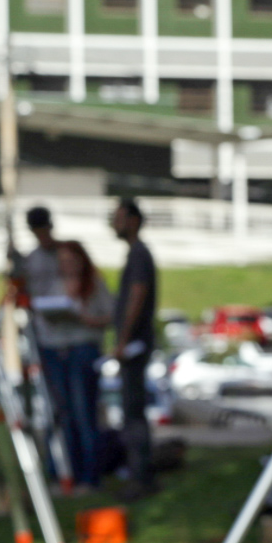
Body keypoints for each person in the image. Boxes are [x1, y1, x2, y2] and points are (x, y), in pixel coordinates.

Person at [16, 207, 111, 489]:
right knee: (60, 414)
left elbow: (109, 316)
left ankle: (89, 476)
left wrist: (83, 318)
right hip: (53, 348)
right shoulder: (45, 275)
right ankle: (61, 473)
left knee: (84, 414)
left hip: (82, 349)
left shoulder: (93, 285)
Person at [109, 198, 157, 498]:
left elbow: (137, 295)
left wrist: (123, 339)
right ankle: (141, 475)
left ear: (134, 220)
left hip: (135, 346)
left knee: (133, 414)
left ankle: (140, 479)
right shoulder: (135, 253)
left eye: (119, 217)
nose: (114, 223)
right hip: (133, 343)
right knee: (133, 412)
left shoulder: (139, 253)